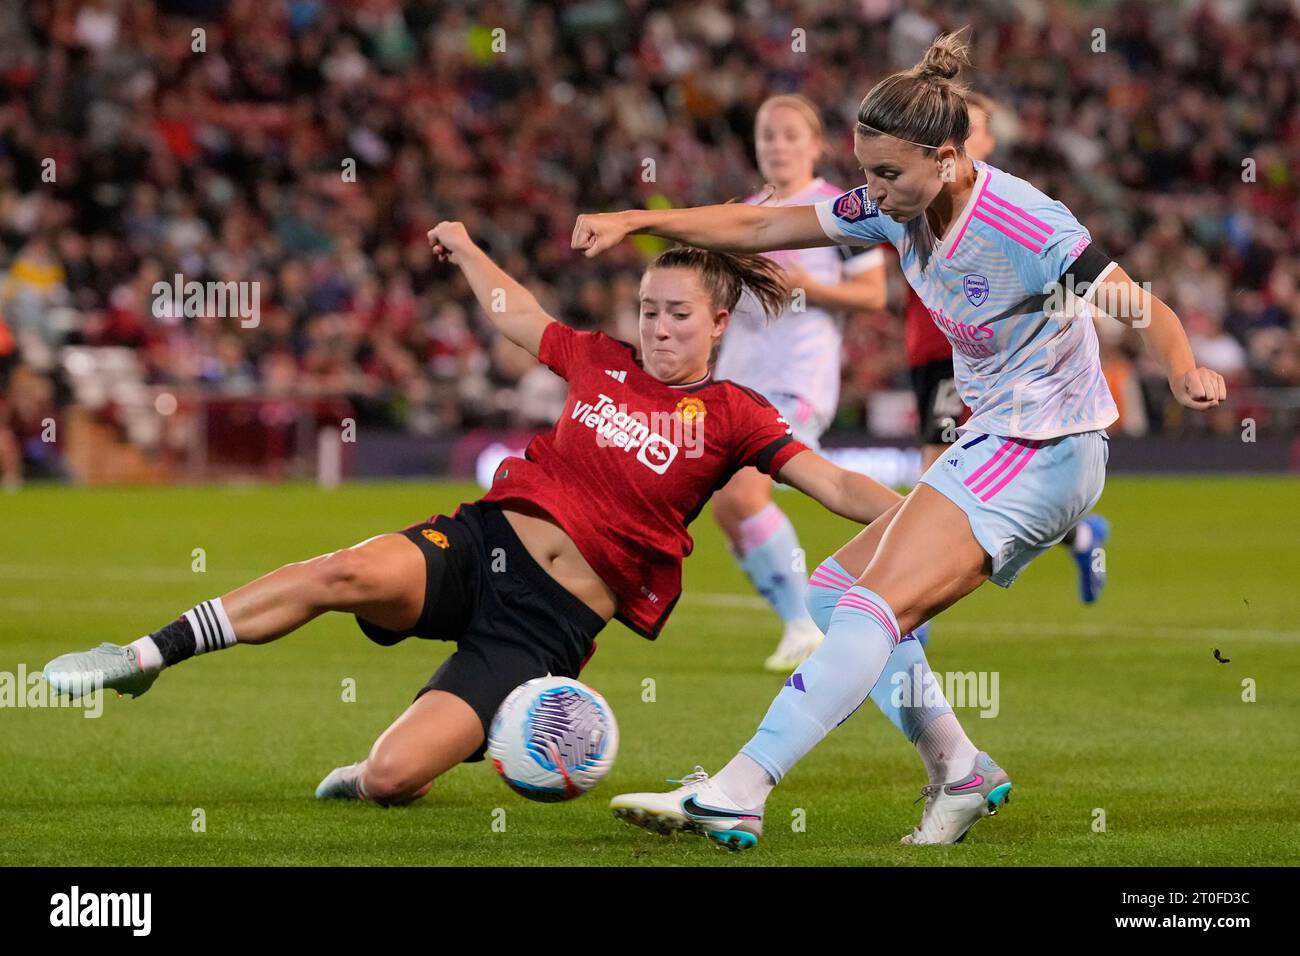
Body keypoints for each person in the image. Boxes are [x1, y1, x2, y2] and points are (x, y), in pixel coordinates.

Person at [572, 31, 1225, 848]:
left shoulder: (1025, 223)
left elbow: (1141, 305)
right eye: (865, 170)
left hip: (1049, 447)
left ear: (946, 159)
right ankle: (960, 770)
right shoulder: (891, 209)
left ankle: (741, 788)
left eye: (888, 173)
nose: (871, 192)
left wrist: (1183, 366)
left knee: (874, 606)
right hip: (996, 441)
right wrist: (637, 217)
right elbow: (759, 224)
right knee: (833, 593)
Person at [42, 221, 903, 807]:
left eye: (677, 315)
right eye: (647, 310)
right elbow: (517, 315)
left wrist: (930, 518)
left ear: (718, 322)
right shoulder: (601, 362)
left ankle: (402, 762)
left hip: (545, 631)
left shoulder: (735, 414)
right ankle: (147, 653)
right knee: (345, 572)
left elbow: (829, 485)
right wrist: (464, 247)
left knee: (386, 783)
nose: (657, 328)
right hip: (482, 544)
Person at [904, 93, 1109, 615]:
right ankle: (1080, 535)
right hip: (937, 354)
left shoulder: (1007, 213)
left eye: (969, 132)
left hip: (998, 368)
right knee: (949, 477)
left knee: (935, 471)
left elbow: (1078, 284)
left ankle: (905, 603)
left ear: (987, 143)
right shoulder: (917, 198)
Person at [711, 93, 888, 672]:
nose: (778, 146)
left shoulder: (842, 211)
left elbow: (873, 295)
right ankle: (888, 550)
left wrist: (801, 289)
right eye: (767, 135)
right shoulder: (743, 213)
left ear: (815, 145)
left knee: (743, 494)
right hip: (736, 376)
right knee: (727, 509)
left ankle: (805, 623)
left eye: (790, 134)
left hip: (797, 374)